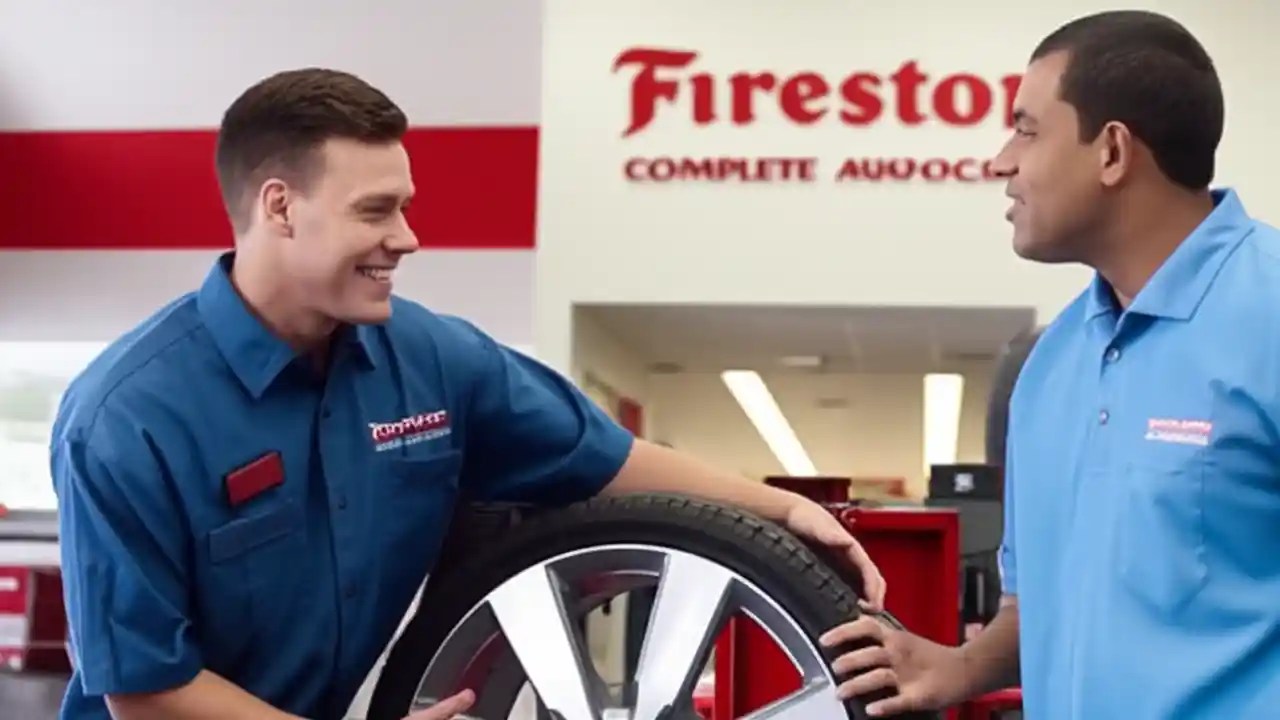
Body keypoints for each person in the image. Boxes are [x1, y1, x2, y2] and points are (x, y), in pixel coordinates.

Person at [49, 67, 887, 720]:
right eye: (375, 211)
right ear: (280, 208)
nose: (406, 238)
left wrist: (776, 511)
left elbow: (606, 460)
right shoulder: (125, 419)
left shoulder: (430, 358)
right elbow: (148, 692)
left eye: (405, 207)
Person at [819, 9, 1280, 718]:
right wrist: (961, 666)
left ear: (1113, 152)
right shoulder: (1046, 369)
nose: (1001, 161)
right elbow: (1041, 602)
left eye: (1027, 129)